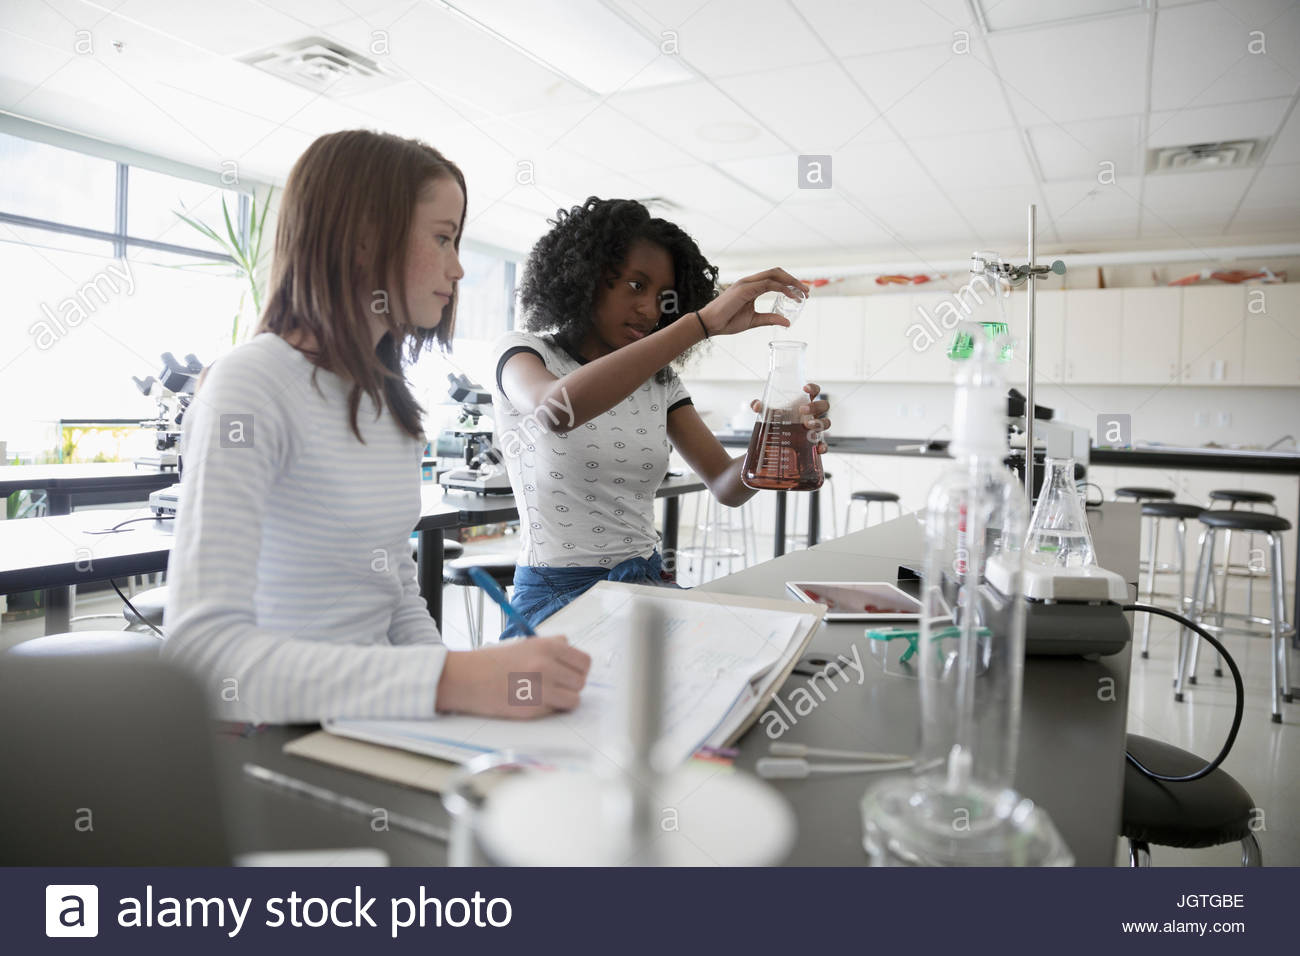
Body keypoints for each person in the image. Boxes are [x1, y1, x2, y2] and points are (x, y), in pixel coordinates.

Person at [163, 130, 590, 724]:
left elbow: (393, 593)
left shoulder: (390, 406)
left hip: (367, 726)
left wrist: (464, 698)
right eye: (443, 238)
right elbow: (204, 659)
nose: (459, 267)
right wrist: (454, 679)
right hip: (272, 738)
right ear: (363, 239)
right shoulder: (249, 385)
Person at [492, 197, 831, 635]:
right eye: (636, 286)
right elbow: (556, 410)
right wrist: (701, 323)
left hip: (647, 586)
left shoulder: (660, 382)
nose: (651, 311)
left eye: (663, 298)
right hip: (557, 596)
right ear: (586, 276)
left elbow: (726, 486)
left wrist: (775, 444)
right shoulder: (523, 352)